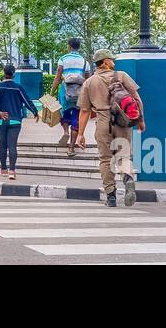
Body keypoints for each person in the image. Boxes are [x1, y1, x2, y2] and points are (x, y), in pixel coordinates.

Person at [79, 49, 144, 208]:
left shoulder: (89, 82)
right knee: (123, 156)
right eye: (111, 60)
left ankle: (111, 196)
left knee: (106, 159)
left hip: (102, 122)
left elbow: (85, 111)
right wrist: (140, 120)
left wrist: (80, 134)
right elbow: (137, 99)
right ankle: (128, 179)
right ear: (105, 62)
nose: (114, 62)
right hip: (122, 121)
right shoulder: (121, 76)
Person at [0, 64, 40, 179]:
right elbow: (27, 101)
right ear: (14, 74)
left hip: (1, 120)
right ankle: (12, 171)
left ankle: (3, 170)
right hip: (15, 121)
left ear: (3, 73)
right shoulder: (18, 87)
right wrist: (35, 112)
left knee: (3, 145)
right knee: (12, 146)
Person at [50, 38, 89, 154]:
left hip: (65, 90)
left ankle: (66, 132)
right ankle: (71, 148)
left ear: (69, 46)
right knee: (76, 117)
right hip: (80, 92)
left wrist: (52, 92)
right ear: (79, 47)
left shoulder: (63, 59)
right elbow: (87, 79)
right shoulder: (84, 61)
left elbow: (58, 77)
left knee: (64, 112)